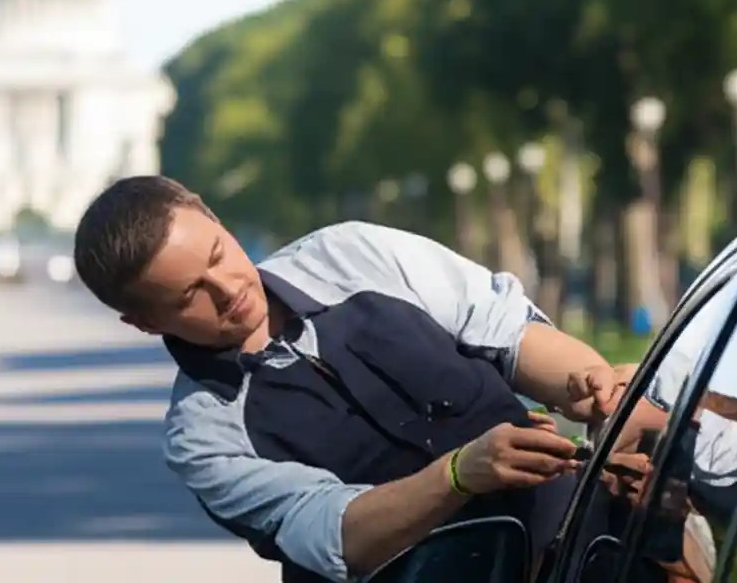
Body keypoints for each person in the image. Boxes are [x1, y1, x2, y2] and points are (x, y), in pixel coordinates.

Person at [73, 176, 630, 582]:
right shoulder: (203, 438)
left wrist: (588, 385)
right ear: (145, 322)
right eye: (190, 293)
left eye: (218, 254)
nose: (226, 288)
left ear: (217, 221)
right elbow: (338, 539)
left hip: (582, 551)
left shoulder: (351, 253)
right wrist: (461, 474)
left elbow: (504, 327)